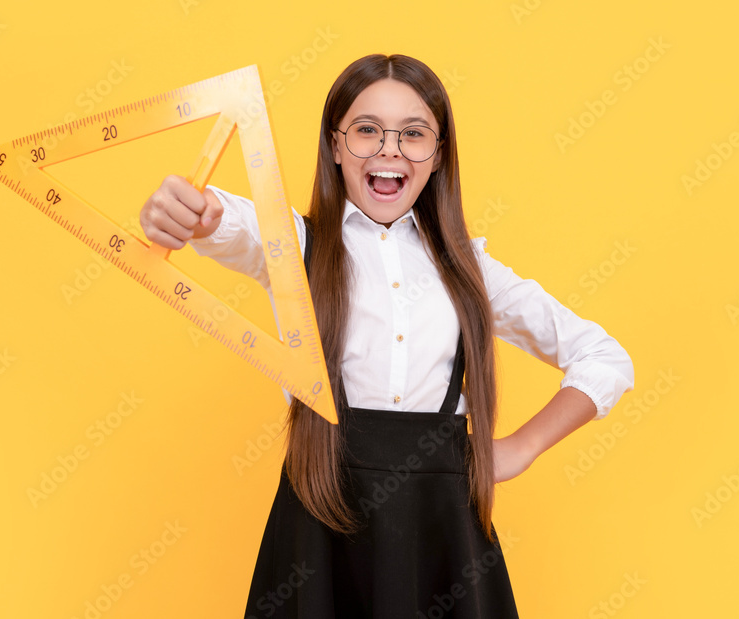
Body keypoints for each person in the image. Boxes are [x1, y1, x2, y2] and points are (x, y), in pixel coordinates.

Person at [139, 54, 634, 618]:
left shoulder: (471, 270)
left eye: (414, 134)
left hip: (442, 531)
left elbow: (604, 358)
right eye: (367, 130)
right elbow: (224, 220)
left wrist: (520, 449)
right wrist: (189, 210)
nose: (389, 150)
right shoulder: (292, 245)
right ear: (335, 144)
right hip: (319, 527)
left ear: (439, 153)